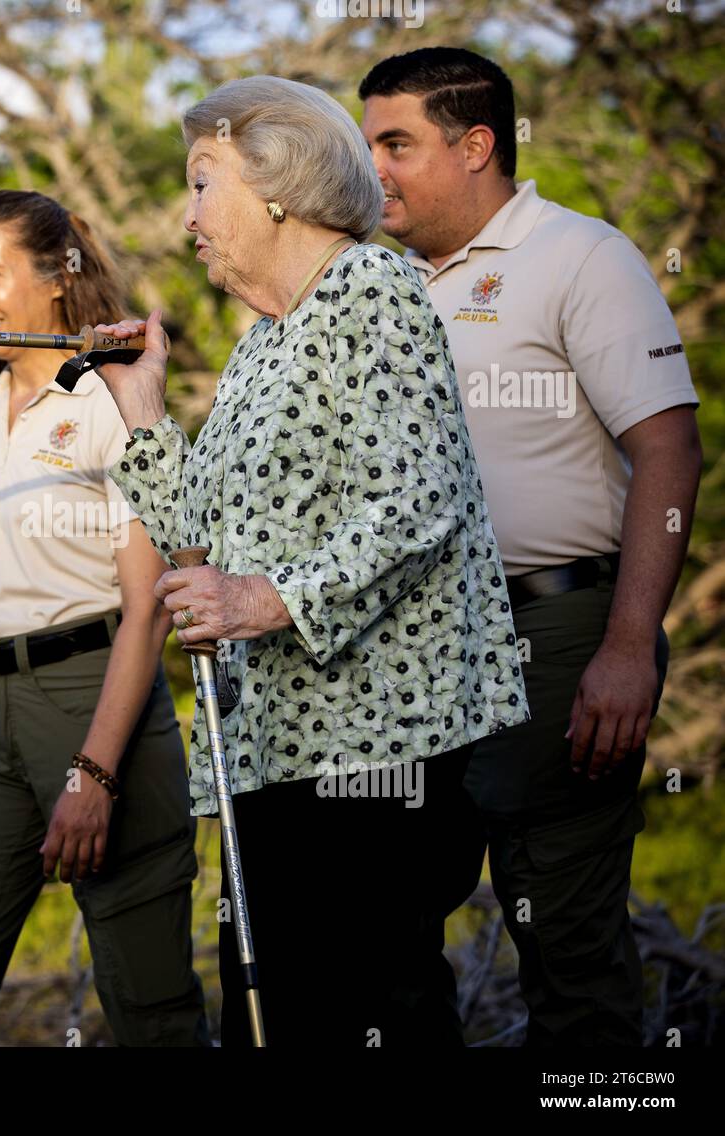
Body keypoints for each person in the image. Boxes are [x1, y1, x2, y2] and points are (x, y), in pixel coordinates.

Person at [94, 76, 529, 1048]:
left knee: (374, 1005)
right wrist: (143, 409)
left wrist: (271, 597)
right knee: (278, 1014)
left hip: (375, 750)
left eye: (203, 182)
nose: (187, 212)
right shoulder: (262, 345)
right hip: (275, 745)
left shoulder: (372, 291)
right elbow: (193, 537)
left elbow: (419, 496)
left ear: (278, 187)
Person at [359, 46, 702, 1046]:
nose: (371, 165)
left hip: (557, 634)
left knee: (566, 944)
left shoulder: (581, 255)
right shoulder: (374, 285)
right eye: (365, 141)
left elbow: (669, 452)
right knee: (383, 935)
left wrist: (630, 643)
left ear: (476, 146)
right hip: (410, 650)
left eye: (396, 142)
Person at [0, 190, 209, 1047]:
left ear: (57, 280)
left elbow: (148, 611)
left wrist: (94, 777)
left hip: (98, 702)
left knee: (153, 1015)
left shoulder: (110, 401)